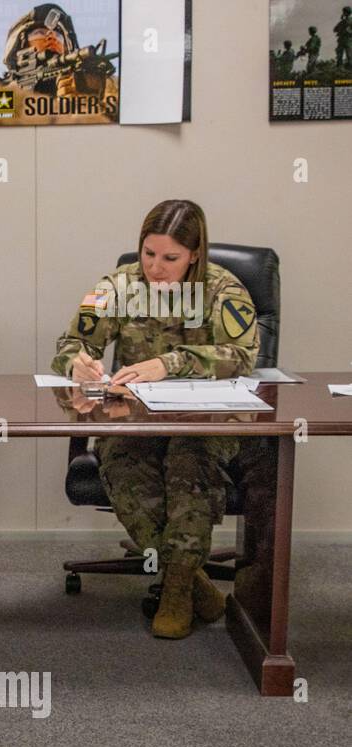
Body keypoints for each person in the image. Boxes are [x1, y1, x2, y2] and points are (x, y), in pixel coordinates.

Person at [50, 199, 259, 640]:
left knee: (189, 466)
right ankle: (189, 578)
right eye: (148, 254)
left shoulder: (224, 290)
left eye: (170, 258)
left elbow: (242, 355)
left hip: (201, 425)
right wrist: (78, 363)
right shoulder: (115, 287)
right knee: (124, 468)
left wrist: (172, 363)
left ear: (195, 255)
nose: (155, 268)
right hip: (133, 421)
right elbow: (70, 342)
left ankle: (176, 590)